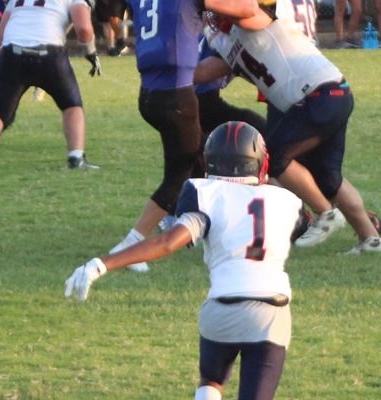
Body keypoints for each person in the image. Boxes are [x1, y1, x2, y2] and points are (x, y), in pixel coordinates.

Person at [65, 122, 305, 400]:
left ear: (210, 161)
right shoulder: (286, 201)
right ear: (260, 162)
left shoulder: (206, 193)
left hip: (221, 309)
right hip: (270, 314)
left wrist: (102, 263)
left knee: (212, 381)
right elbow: (302, 223)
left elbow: (168, 242)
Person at [203, 6, 381, 254]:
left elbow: (249, 14)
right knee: (328, 178)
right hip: (329, 95)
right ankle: (372, 240)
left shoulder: (257, 15)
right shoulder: (228, 42)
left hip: (318, 95)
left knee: (274, 158)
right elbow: (201, 72)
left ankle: (326, 214)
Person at [103, 0, 207, 273]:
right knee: (179, 173)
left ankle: (194, 225)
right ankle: (132, 242)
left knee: (197, 157)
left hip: (149, 94)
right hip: (176, 93)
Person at [0, 0, 100, 175]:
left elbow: (1, 33)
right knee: (71, 106)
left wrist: (8, 62)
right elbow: (84, 30)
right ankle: (76, 158)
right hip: (49, 55)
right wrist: (91, 53)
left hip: (12, 53)